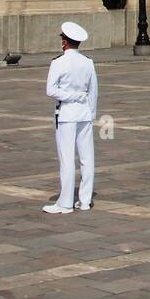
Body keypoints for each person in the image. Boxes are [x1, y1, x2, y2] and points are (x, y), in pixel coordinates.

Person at [44, 22, 98, 213]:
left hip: (67, 113)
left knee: (67, 158)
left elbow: (50, 90)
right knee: (86, 157)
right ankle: (85, 200)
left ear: (64, 42)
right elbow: (93, 92)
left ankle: (65, 202)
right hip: (84, 112)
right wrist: (91, 113)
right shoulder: (88, 62)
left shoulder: (58, 62)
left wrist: (70, 96)